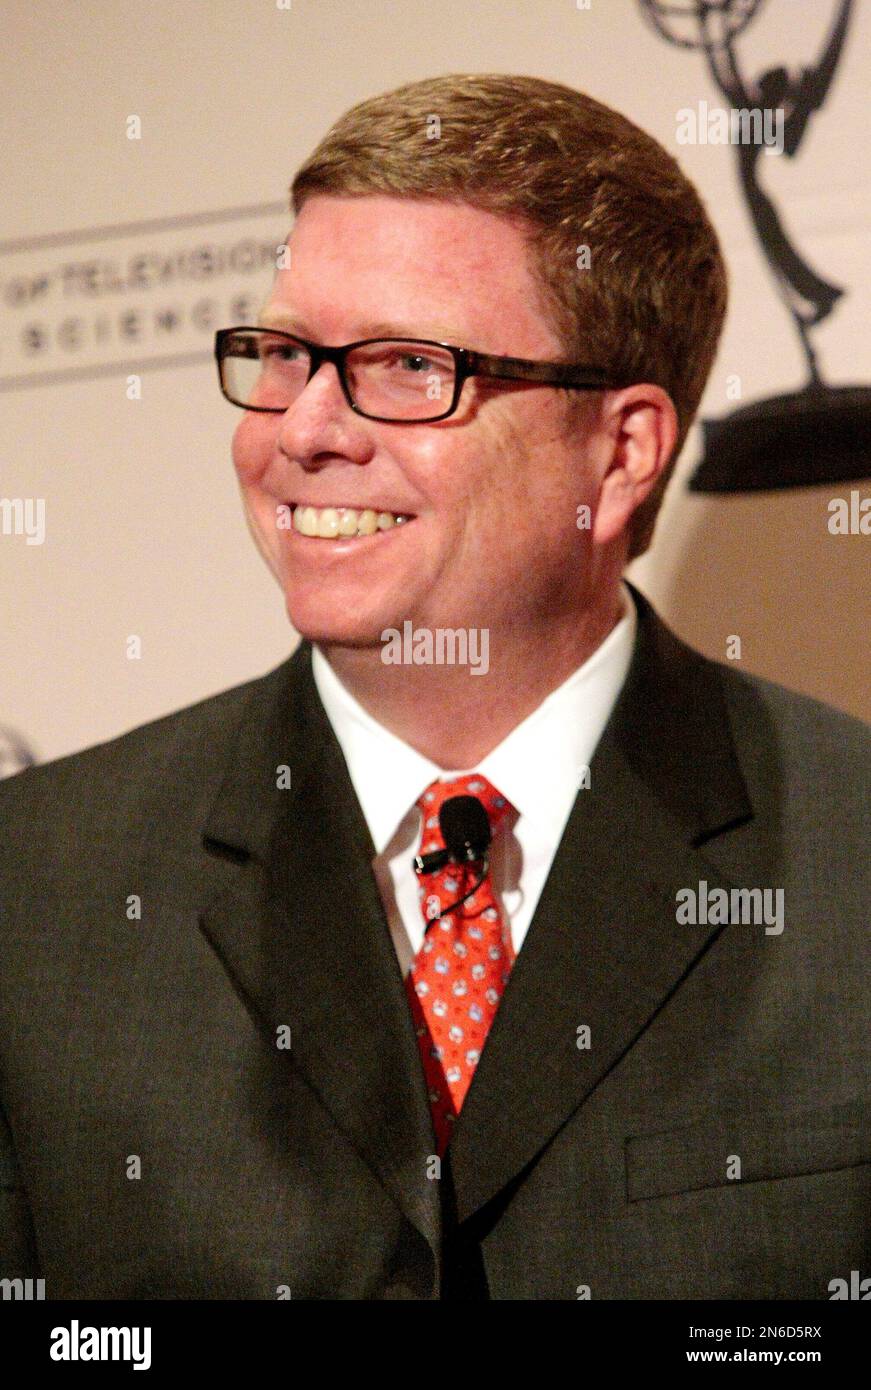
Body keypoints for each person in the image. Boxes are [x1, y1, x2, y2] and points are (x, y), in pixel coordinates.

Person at [0, 74, 867, 1302]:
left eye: (408, 366)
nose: (303, 429)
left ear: (620, 452)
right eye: (286, 353)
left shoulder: (852, 860)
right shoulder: (33, 888)